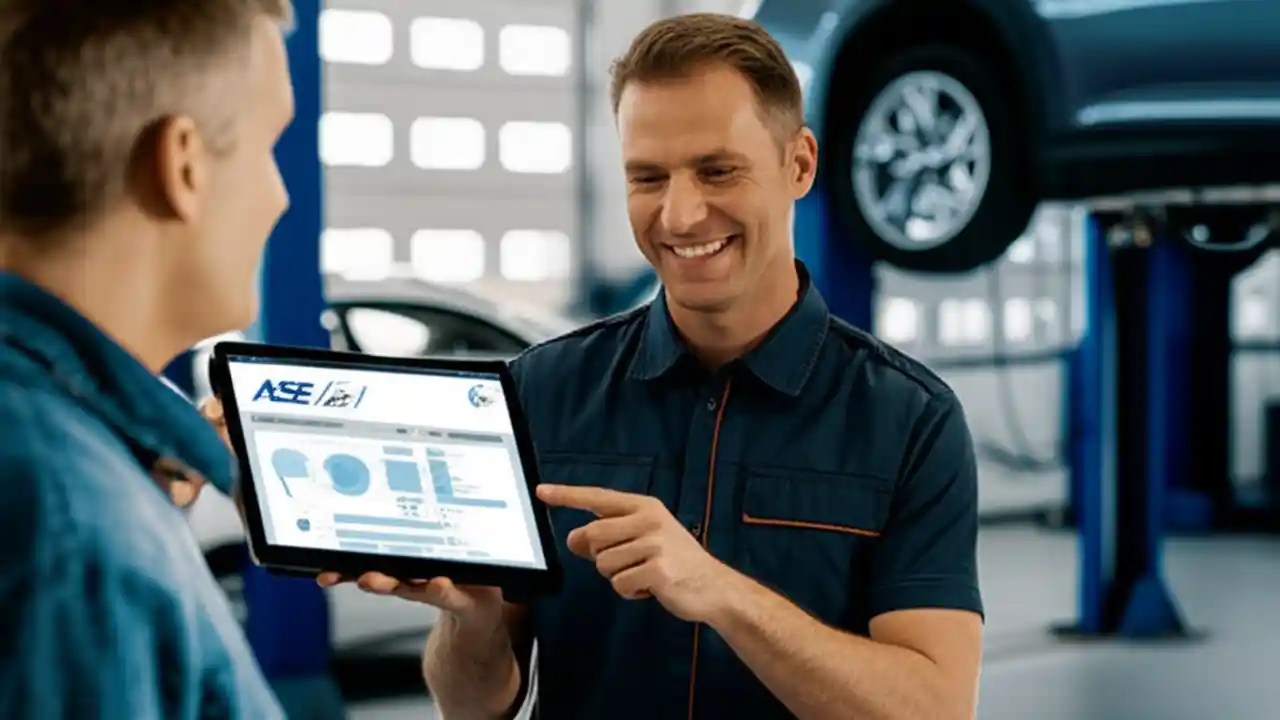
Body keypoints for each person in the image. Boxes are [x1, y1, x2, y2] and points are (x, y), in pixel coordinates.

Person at [322, 12, 985, 720]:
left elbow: (936, 708)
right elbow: (471, 707)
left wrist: (723, 594)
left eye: (717, 170)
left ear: (799, 164)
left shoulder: (910, 421)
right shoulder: (537, 394)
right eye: (648, 177)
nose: (679, 213)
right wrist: (472, 621)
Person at [0, 1, 296, 717]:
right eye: (268, 145)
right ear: (183, 164)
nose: (281, 196)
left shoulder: (57, 454)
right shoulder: (74, 538)